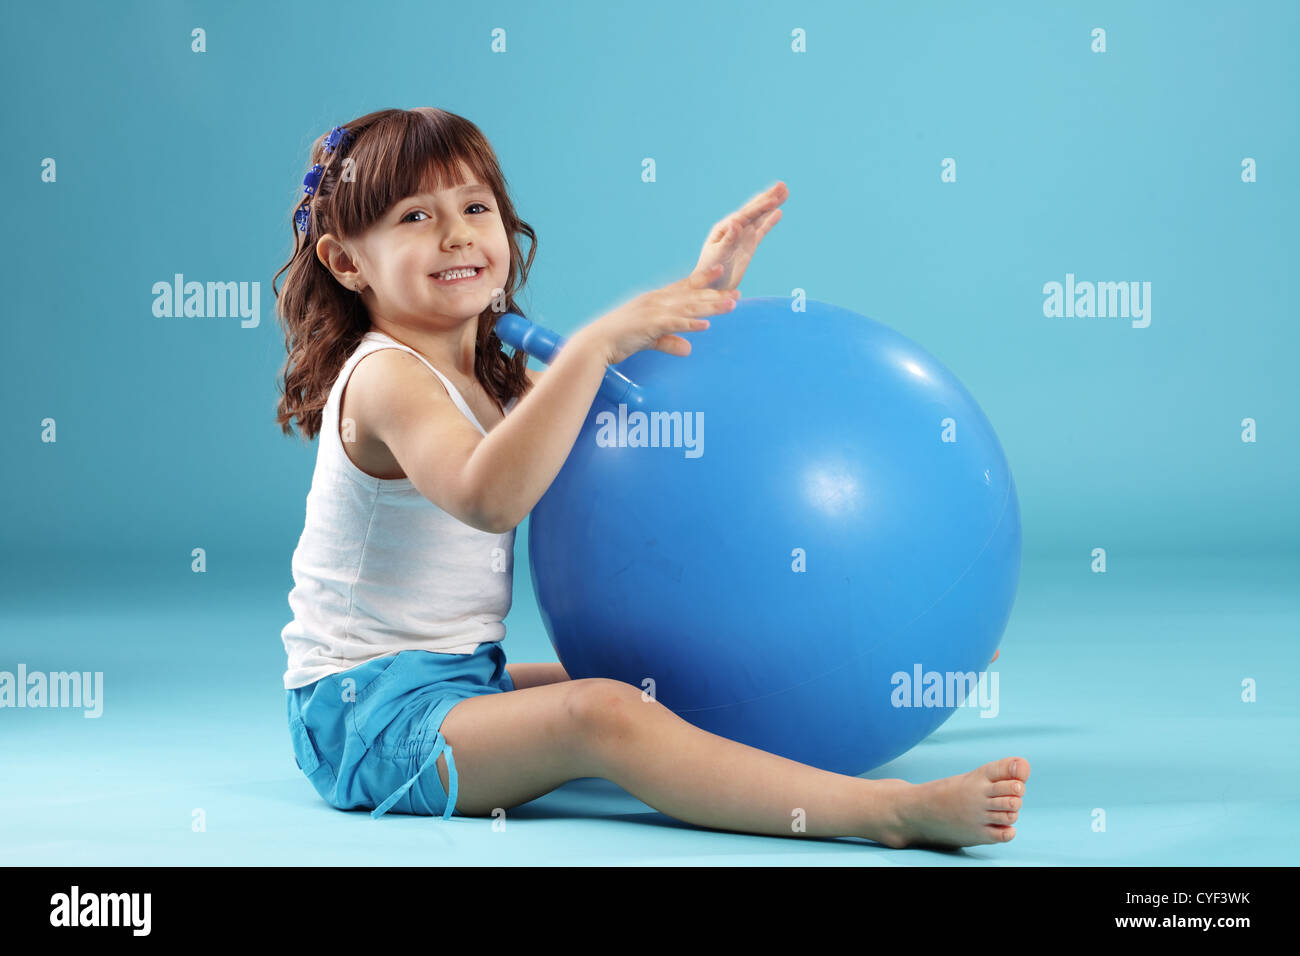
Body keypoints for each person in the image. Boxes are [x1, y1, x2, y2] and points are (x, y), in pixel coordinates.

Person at [272, 107, 1029, 849]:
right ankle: (886, 812)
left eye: (476, 206)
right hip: (365, 720)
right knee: (605, 713)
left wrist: (704, 290)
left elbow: (616, 433)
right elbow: (489, 496)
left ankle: (871, 660)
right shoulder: (384, 379)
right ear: (346, 262)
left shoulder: (493, 381)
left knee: (661, 680)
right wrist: (593, 347)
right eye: (415, 217)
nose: (458, 233)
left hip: (461, 680)